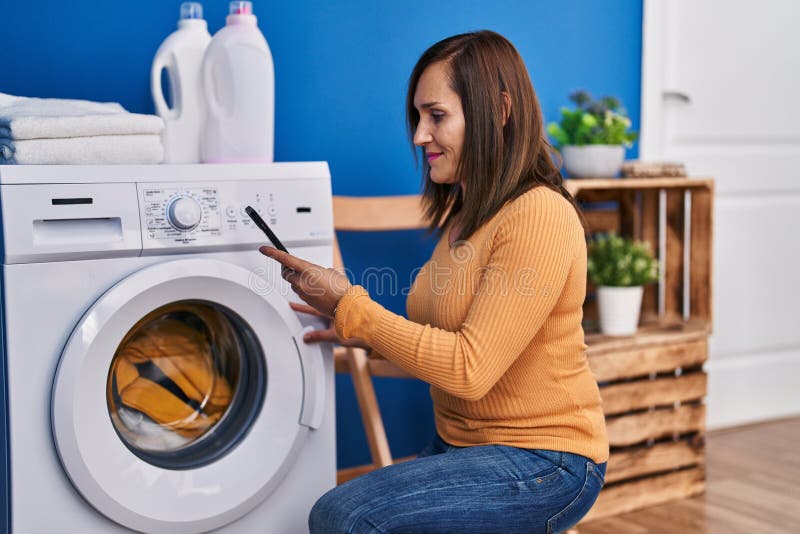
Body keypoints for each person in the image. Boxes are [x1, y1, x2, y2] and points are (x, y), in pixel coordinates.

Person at [260, 30, 609, 534]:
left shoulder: (539, 214)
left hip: (547, 462)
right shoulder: (467, 214)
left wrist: (356, 310)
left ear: (500, 110)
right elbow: (450, 342)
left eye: (437, 116)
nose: (420, 135)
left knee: (341, 514)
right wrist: (352, 327)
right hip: (466, 447)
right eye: (418, 118)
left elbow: (470, 368)